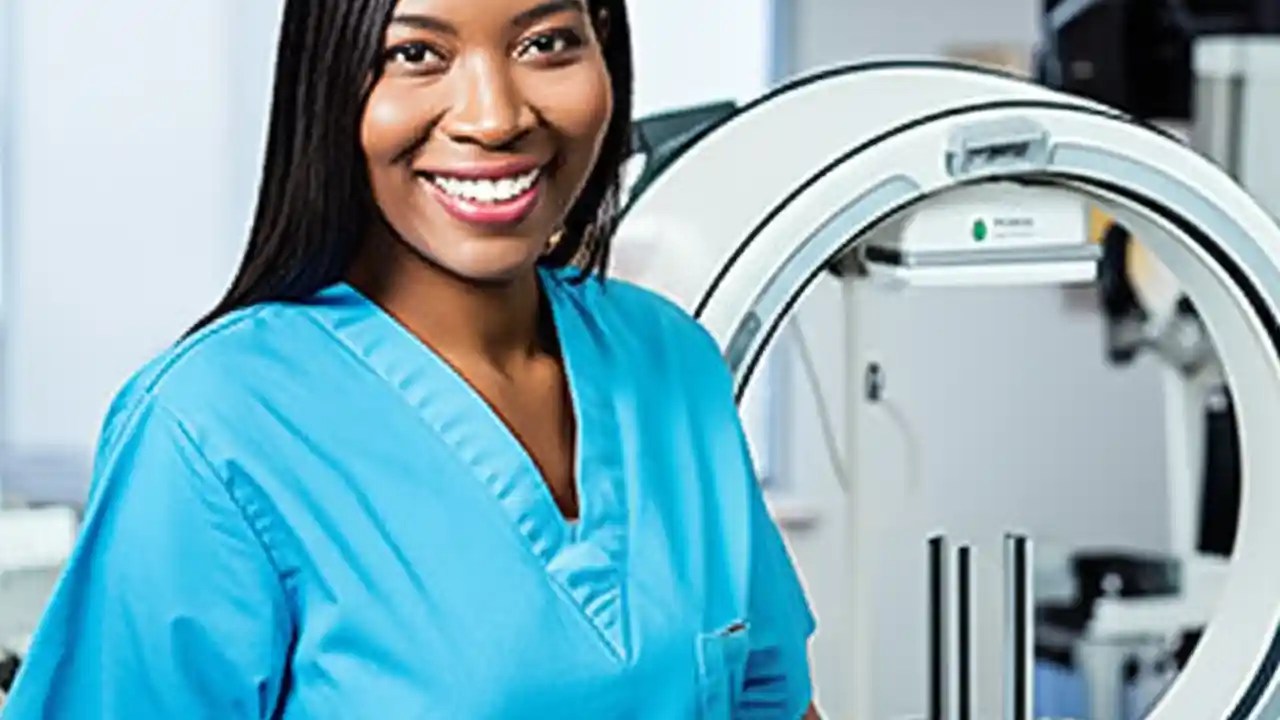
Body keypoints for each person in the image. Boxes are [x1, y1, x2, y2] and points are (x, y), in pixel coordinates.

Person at [2, 0, 820, 717]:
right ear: (332, 83)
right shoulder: (211, 426)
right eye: (415, 54)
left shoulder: (668, 360)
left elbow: (770, 703)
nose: (495, 116)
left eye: (545, 43)